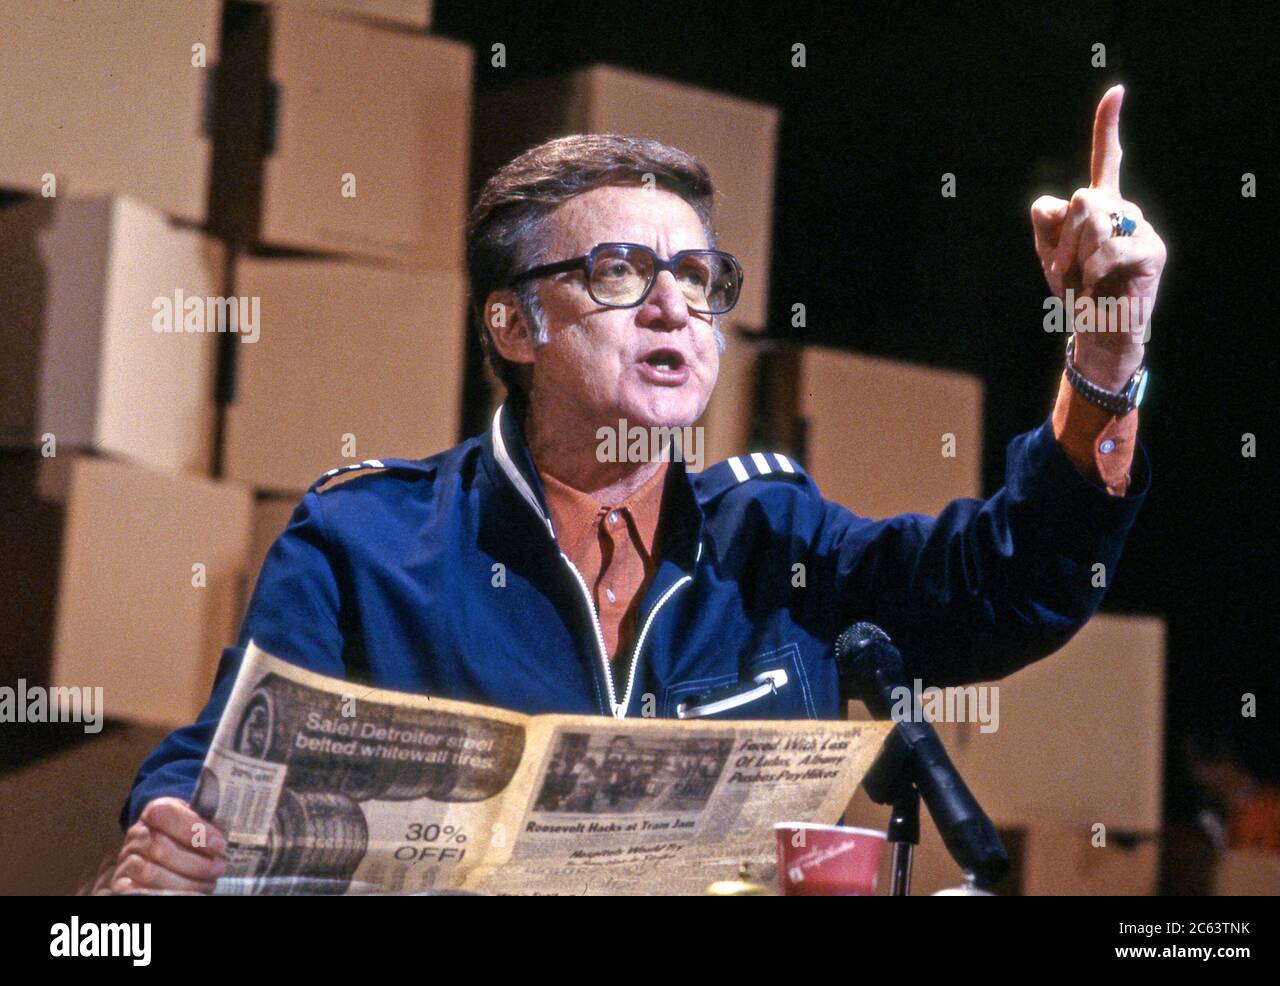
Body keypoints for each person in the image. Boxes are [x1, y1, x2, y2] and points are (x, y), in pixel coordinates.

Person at [109, 85, 1165, 893]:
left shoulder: (774, 539)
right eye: (619, 272)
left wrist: (1104, 363)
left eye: (698, 280)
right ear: (512, 324)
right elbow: (214, 767)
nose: (673, 306)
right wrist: (166, 837)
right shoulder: (359, 542)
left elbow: (1007, 581)